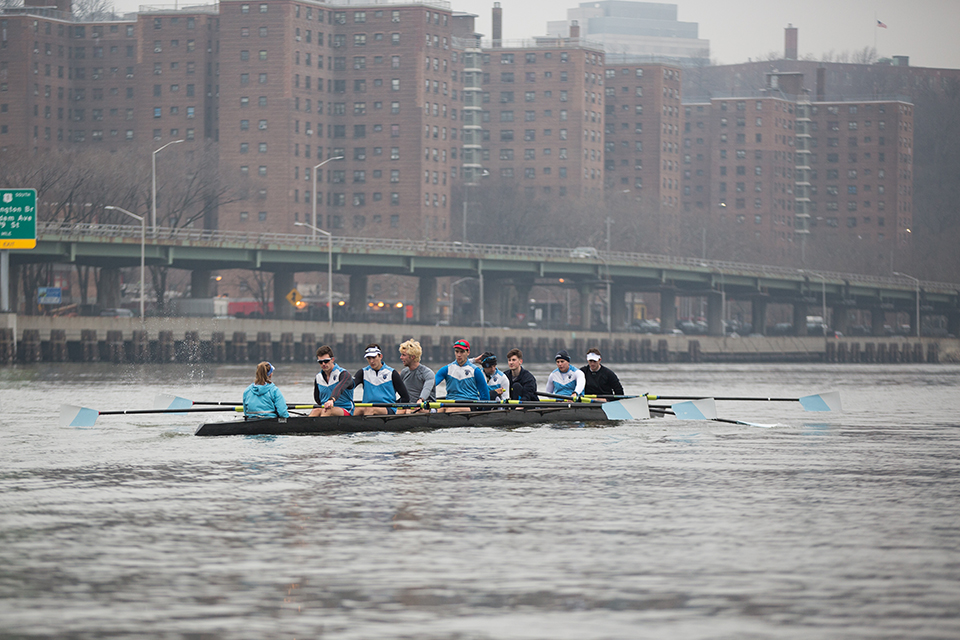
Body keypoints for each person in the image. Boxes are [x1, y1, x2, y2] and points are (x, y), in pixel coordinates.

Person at [352, 343, 410, 416]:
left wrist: (394, 405)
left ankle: (366, 426)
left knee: (370, 409)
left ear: (380, 356)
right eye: (369, 358)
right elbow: (350, 386)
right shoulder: (362, 372)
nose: (371, 361)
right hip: (367, 407)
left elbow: (405, 398)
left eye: (374, 357)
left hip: (387, 408)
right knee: (356, 409)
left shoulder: (392, 373)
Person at [434, 339, 487, 413]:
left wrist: (484, 412)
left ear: (468, 352)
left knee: (449, 410)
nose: (459, 355)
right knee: (439, 410)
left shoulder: (476, 371)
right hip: (451, 402)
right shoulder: (446, 369)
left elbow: (484, 394)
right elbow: (431, 385)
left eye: (462, 352)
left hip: (470, 404)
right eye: (457, 351)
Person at [309, 345, 354, 417]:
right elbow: (317, 399)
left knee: (327, 411)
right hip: (325, 408)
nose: (323, 364)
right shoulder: (318, 377)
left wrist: (331, 400)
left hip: (345, 409)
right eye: (320, 362)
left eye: (326, 361)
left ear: (332, 359)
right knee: (315, 411)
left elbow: (339, 389)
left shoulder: (344, 374)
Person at [397, 339, 436, 414]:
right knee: (399, 411)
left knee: (409, 411)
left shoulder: (427, 373)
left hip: (427, 406)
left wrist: (421, 399)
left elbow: (427, 389)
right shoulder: (404, 372)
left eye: (404, 355)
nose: (401, 357)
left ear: (412, 357)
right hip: (410, 406)